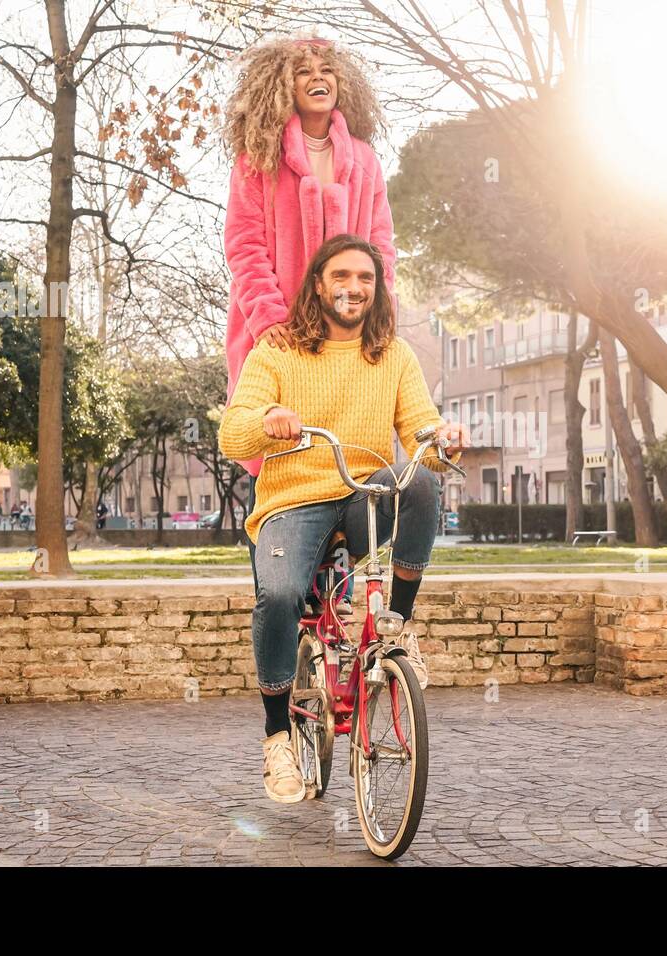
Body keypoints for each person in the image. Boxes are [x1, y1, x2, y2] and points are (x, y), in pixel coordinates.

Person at [219, 234, 467, 805]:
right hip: (292, 500)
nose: (354, 287)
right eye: (342, 275)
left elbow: (421, 437)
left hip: (362, 495)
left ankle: (396, 629)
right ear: (318, 283)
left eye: (366, 278)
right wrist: (269, 418)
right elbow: (233, 431)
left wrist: (444, 442)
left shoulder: (393, 354)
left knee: (421, 481)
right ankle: (277, 734)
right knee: (279, 596)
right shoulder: (277, 349)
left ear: (376, 290)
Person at [223, 35, 395, 639]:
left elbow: (381, 246)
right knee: (283, 458)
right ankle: (285, 610)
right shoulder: (258, 159)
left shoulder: (366, 162)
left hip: (348, 340)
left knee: (351, 463)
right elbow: (245, 249)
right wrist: (277, 329)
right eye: (304, 71)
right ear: (282, 86)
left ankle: (339, 610)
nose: (319, 77)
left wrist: (375, 318)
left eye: (328, 69)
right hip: (275, 339)